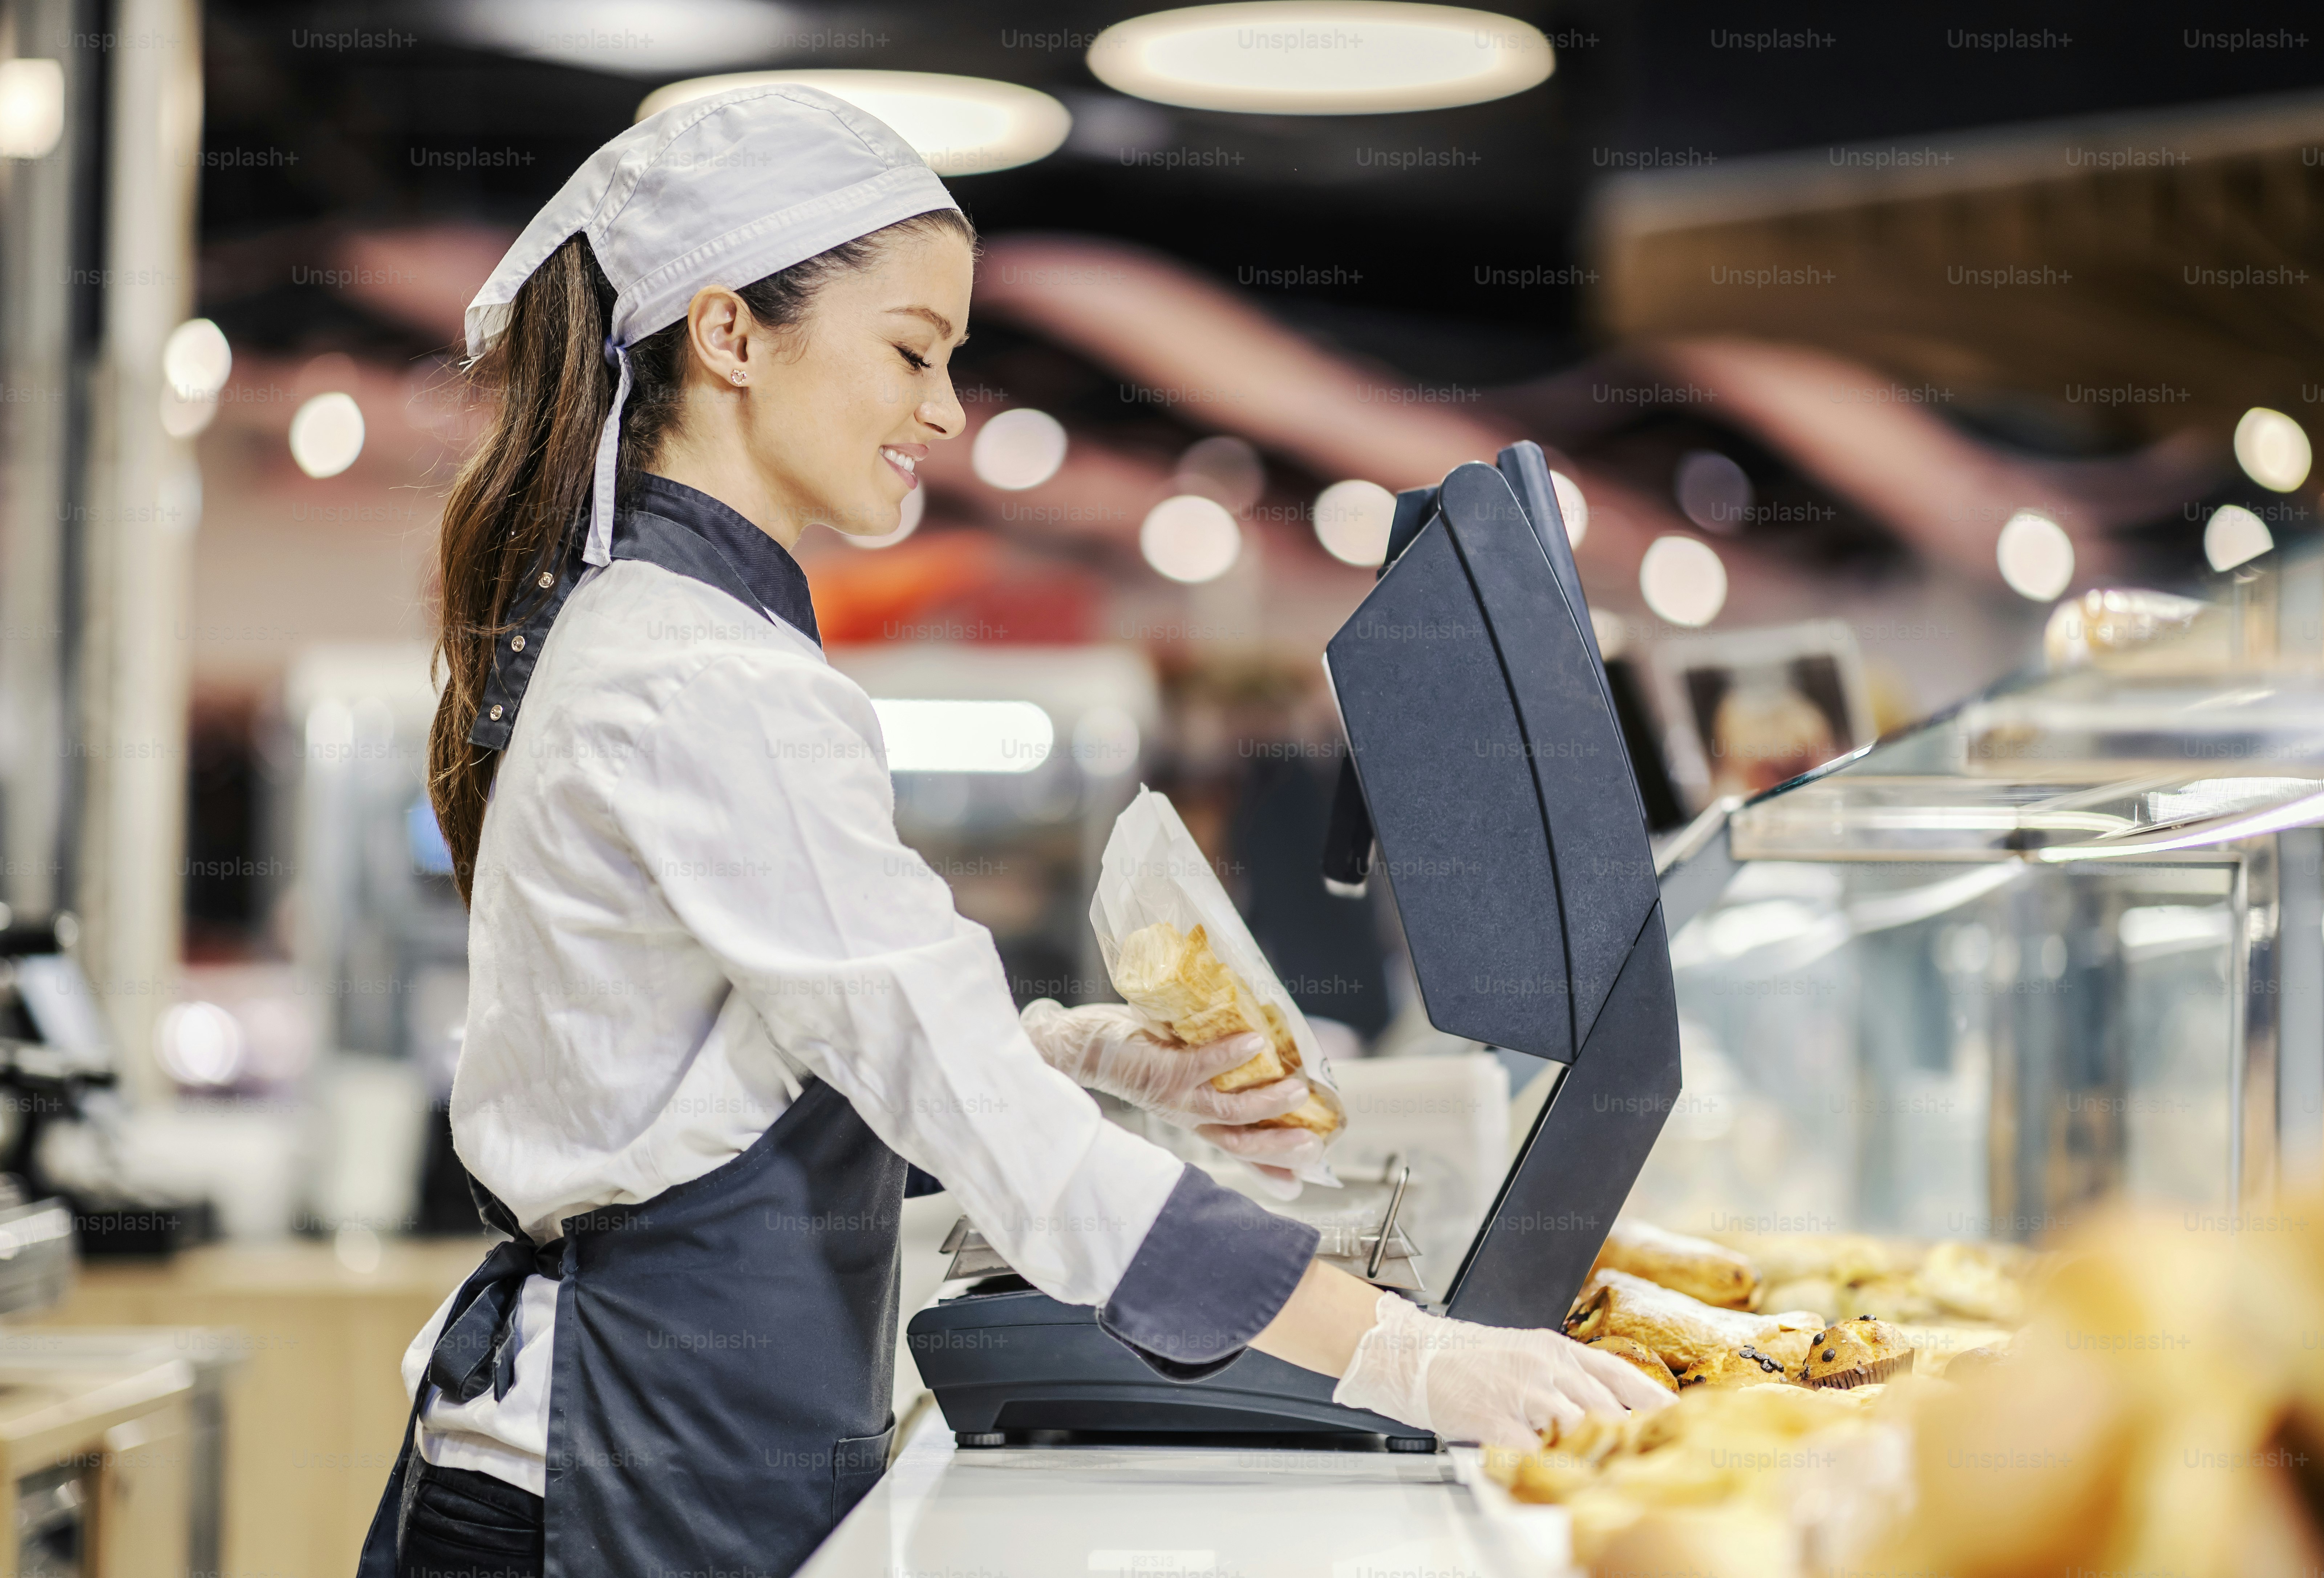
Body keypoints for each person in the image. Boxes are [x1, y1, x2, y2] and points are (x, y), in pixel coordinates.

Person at [359, 85, 1665, 1578]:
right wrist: (1421, 1360)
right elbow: (1006, 1150)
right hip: (594, 1482)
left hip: (637, 1456)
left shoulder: (674, 639)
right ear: (727, 336)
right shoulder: (707, 678)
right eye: (911, 351)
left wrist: (1097, 1055)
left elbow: (763, 1059)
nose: (941, 409)